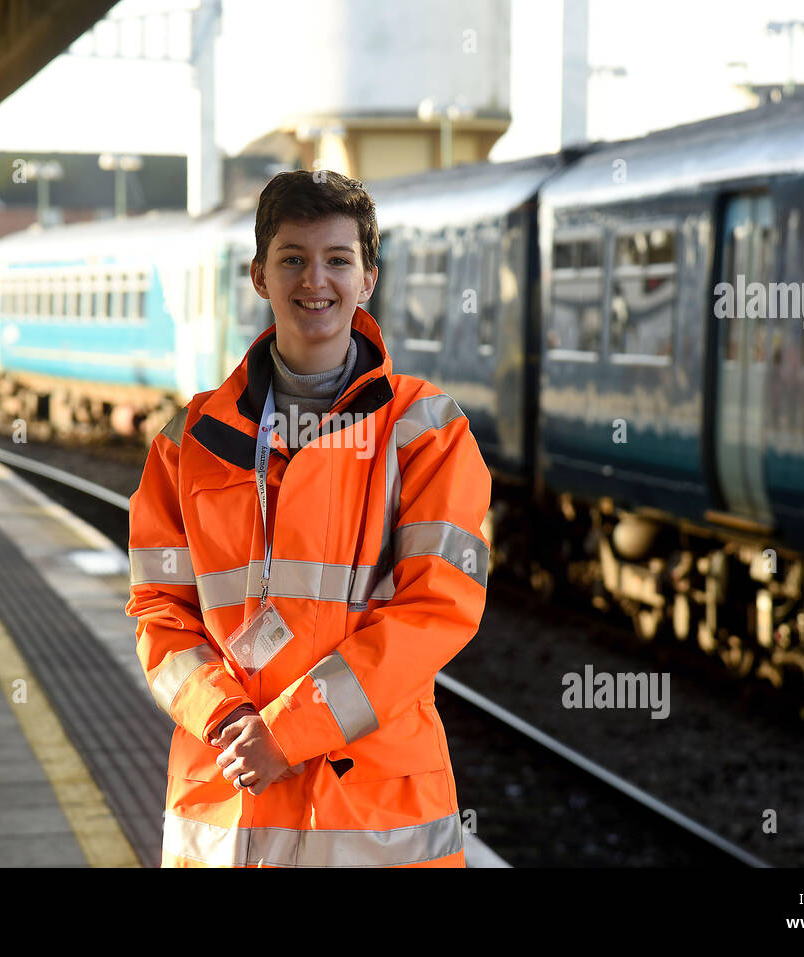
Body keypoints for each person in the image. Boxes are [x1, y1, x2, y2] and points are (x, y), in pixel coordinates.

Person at [126, 170, 491, 867]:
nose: (313, 280)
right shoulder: (187, 441)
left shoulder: (425, 432)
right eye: (292, 258)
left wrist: (289, 732)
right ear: (260, 275)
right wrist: (229, 717)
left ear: (368, 279)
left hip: (371, 819)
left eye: (337, 259)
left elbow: (437, 608)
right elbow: (158, 612)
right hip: (231, 800)